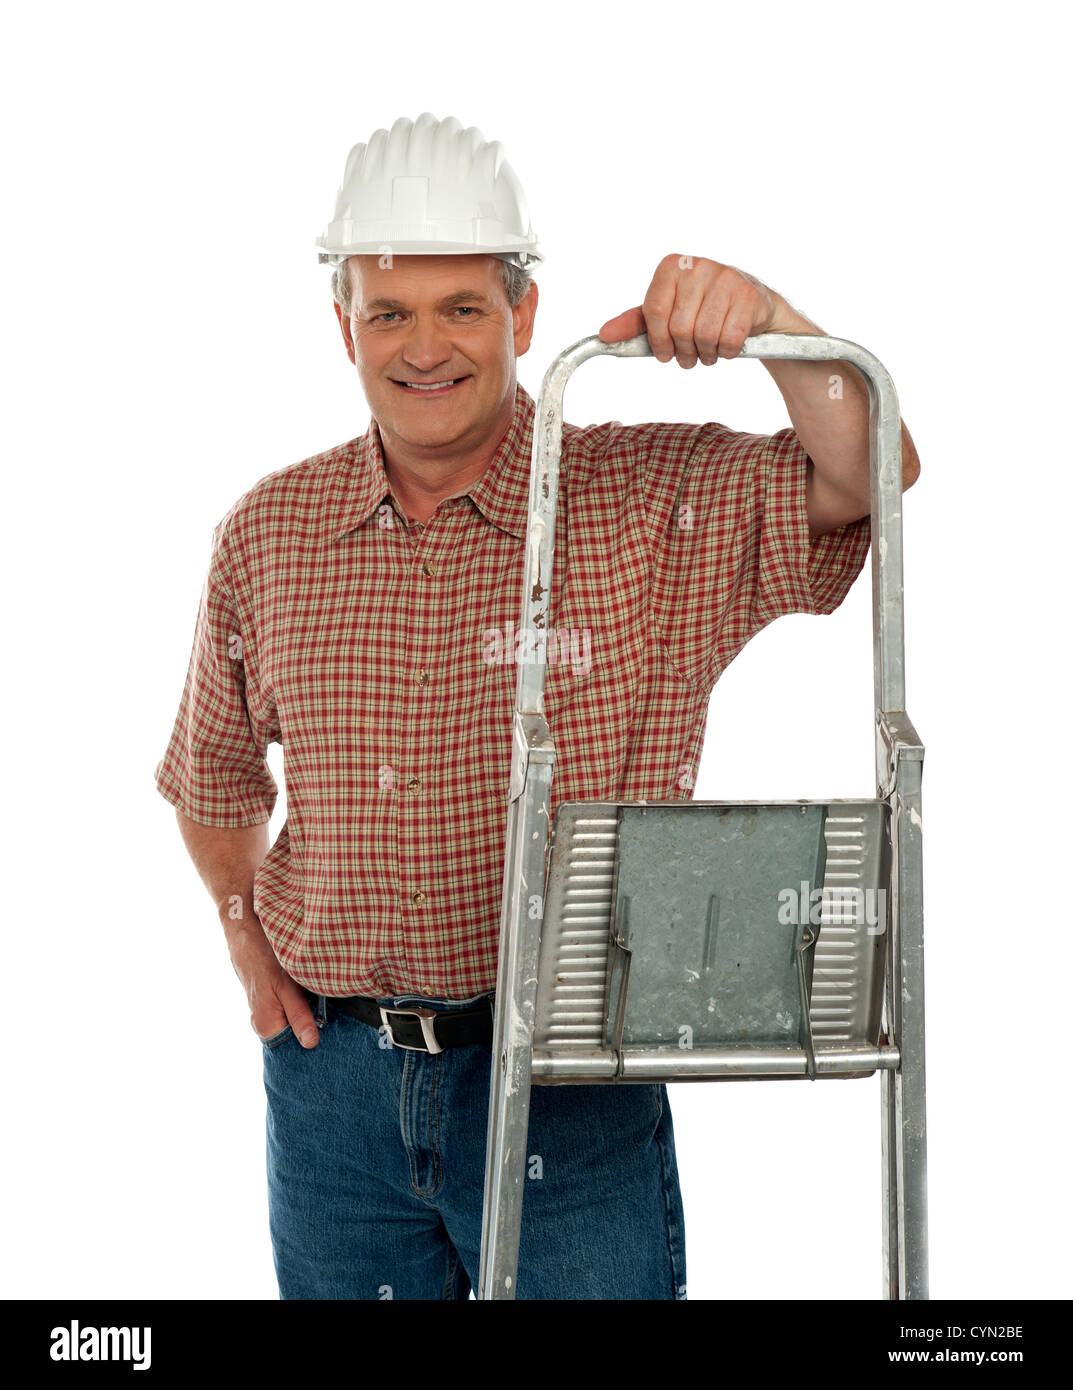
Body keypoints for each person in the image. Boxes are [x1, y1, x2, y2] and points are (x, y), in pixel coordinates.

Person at [155, 112, 920, 1301]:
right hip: (333, 1094)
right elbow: (211, 778)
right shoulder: (268, 532)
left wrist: (769, 322)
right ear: (342, 322)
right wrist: (241, 935)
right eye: (389, 310)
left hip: (574, 1081)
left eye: (462, 305)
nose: (424, 347)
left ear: (520, 314)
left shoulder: (647, 501)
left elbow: (869, 472)